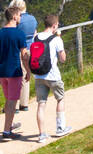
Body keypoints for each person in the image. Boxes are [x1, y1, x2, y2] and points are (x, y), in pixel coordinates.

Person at [29, 14, 69, 143]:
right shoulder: (56, 39)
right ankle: (60, 128)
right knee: (60, 99)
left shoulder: (36, 37)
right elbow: (63, 59)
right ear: (54, 26)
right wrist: (60, 41)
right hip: (53, 75)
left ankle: (42, 134)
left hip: (39, 76)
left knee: (41, 104)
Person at [0, 6, 30, 140]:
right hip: (14, 72)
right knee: (12, 102)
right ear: (14, 17)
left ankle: (10, 124)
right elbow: (24, 55)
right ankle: (7, 131)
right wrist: (28, 70)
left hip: (2, 72)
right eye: (19, 15)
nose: (20, 18)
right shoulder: (19, 34)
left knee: (9, 100)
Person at [10, 0, 36, 117]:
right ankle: (24, 104)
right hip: (30, 50)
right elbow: (35, 33)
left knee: (16, 77)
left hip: (18, 50)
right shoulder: (33, 19)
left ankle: (14, 106)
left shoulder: (18, 20)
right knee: (26, 75)